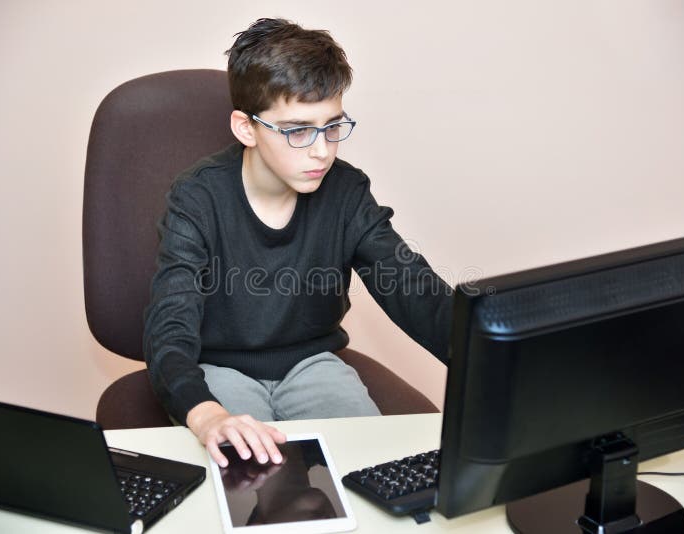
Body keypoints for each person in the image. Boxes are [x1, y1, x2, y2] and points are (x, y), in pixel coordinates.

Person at [143, 18, 452, 469]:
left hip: (313, 364)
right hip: (219, 369)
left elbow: (412, 287)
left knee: (370, 474)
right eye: (297, 130)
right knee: (253, 483)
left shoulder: (346, 192)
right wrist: (206, 413)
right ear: (246, 128)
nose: (323, 151)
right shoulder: (197, 198)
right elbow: (168, 324)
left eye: (332, 127)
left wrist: (494, 356)